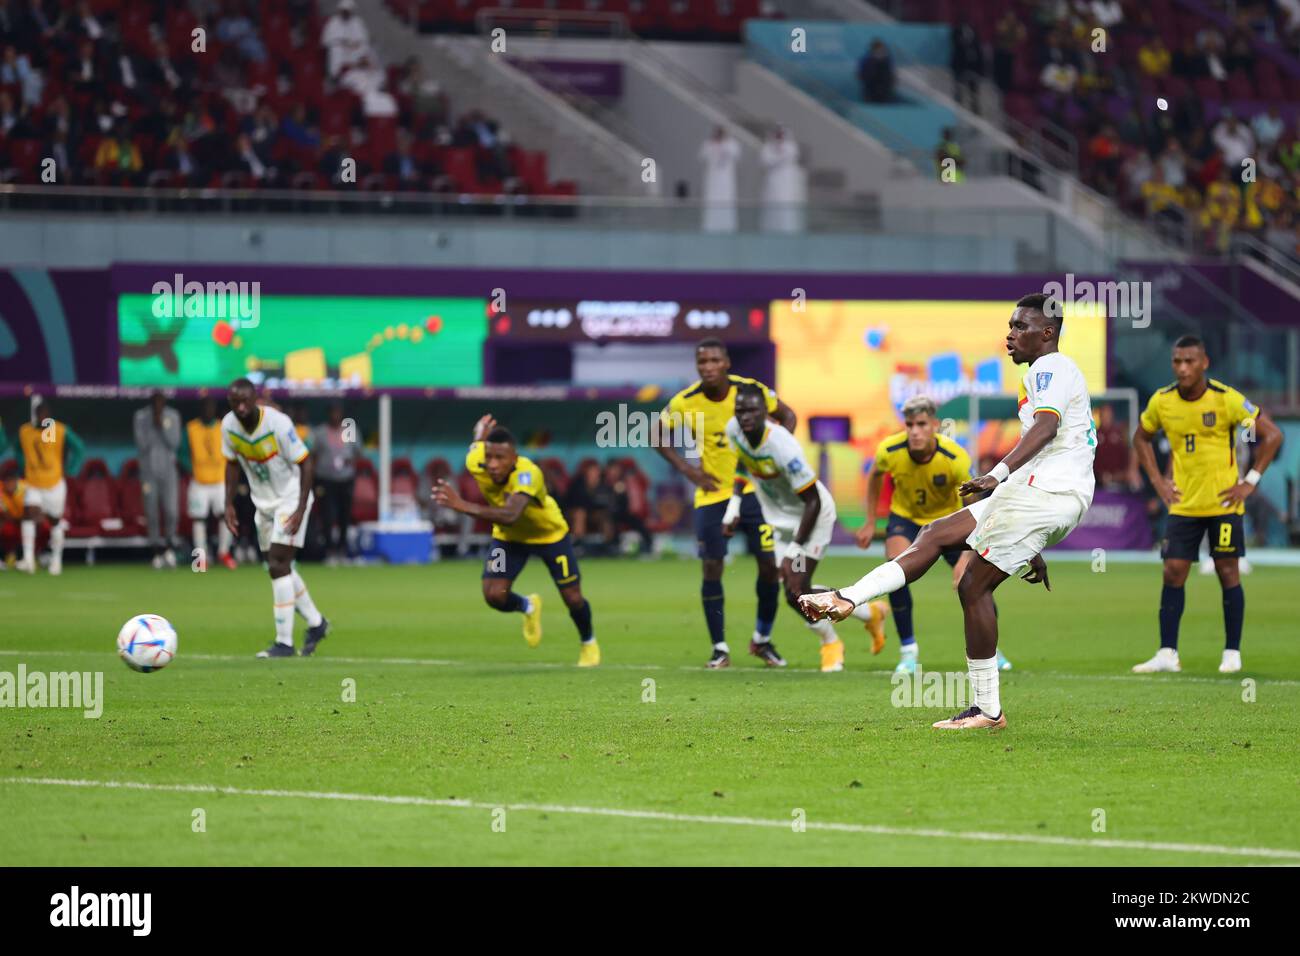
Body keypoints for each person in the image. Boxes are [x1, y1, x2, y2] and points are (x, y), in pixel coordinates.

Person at [800, 293, 1093, 731]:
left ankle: (987, 710)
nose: (1009, 335)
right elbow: (1051, 441)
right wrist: (1030, 539)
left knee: (973, 585)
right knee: (936, 534)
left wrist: (996, 474)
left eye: (1020, 327)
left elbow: (1048, 429)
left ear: (1047, 333)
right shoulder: (1046, 372)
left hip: (1049, 493)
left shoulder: (1050, 368)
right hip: (1042, 493)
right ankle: (848, 598)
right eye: (1010, 326)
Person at [1130, 336, 1282, 674]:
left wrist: (1249, 483)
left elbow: (1271, 435)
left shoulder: (1226, 399)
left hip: (1224, 504)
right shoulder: (1162, 401)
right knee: (1172, 573)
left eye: (1189, 361)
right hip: (1183, 504)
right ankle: (1167, 653)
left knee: (1227, 572)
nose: (1182, 368)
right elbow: (1140, 437)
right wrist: (1157, 482)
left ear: (1204, 363)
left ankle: (1231, 652)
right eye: (1177, 361)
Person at [656, 338, 799, 669]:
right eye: (701, 361)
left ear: (726, 363)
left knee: (769, 567)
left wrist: (775, 455)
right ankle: (719, 648)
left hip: (757, 494)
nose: (707, 367)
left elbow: (788, 415)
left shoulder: (749, 391)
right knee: (711, 567)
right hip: (713, 496)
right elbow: (656, 434)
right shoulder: (685, 401)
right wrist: (689, 471)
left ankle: (762, 640)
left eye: (713, 360)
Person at [726, 384, 885, 672]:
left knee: (796, 587)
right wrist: (734, 504)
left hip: (811, 519)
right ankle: (869, 613)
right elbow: (741, 460)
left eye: (751, 410)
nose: (744, 416)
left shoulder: (783, 447)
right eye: (740, 410)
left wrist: (795, 549)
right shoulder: (733, 430)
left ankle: (831, 643)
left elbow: (811, 501)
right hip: (779, 521)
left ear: (765, 412)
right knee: (792, 593)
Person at [858, 395, 1010, 675]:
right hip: (906, 520)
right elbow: (875, 477)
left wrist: (967, 554)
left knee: (976, 580)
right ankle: (908, 652)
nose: (915, 431)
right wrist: (869, 521)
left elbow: (975, 509)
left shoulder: (955, 458)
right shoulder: (889, 450)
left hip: (948, 524)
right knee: (895, 568)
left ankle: (993, 649)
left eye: (922, 424)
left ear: (935, 426)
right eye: (910, 424)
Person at [432, 415, 600, 667]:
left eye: (500, 458)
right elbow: (476, 445)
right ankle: (528, 606)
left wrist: (461, 505)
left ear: (514, 457)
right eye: (489, 457)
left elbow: (511, 514)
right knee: (494, 596)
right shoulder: (475, 461)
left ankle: (588, 643)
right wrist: (479, 434)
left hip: (549, 535)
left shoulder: (528, 474)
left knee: (573, 598)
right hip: (509, 538)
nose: (493, 464)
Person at [222, 378, 330, 658]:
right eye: (236, 402)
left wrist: (301, 507)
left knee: (277, 565)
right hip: (264, 504)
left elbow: (306, 463)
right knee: (279, 566)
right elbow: (232, 464)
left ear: (255, 398)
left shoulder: (279, 424)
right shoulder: (229, 427)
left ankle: (284, 643)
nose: (242, 407)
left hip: (290, 499)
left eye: (246, 401)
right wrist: (228, 503)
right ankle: (317, 623)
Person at [16, 400, 83, 575]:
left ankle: (56, 559)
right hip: (33, 483)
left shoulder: (58, 430)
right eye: (39, 414)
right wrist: (22, 464)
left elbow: (79, 447)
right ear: (35, 416)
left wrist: (71, 469)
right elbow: (17, 449)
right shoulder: (25, 431)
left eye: (45, 414)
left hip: (53, 483)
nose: (42, 417)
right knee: (29, 514)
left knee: (54, 521)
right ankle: (28, 559)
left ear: (50, 415)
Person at [183, 397, 235, 570]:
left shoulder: (223, 427)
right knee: (199, 518)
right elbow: (181, 452)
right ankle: (201, 558)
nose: (208, 410)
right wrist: (190, 467)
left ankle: (224, 552)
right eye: (205, 407)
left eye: (211, 407)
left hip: (220, 480)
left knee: (224, 516)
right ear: (201, 409)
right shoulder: (191, 428)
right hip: (199, 481)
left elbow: (233, 451)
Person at [134, 391, 182, 569]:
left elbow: (175, 443)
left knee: (171, 511)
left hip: (169, 472)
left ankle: (169, 548)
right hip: (148, 472)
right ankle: (155, 552)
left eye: (161, 402)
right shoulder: (140, 417)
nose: (158, 405)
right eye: (155, 402)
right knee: (151, 512)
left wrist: (162, 424)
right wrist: (152, 423)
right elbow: (141, 444)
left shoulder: (173, 416)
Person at [310, 403, 360, 565]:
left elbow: (358, 453)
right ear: (328, 413)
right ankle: (329, 550)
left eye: (338, 412)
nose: (335, 415)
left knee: (345, 515)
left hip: (345, 478)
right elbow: (314, 456)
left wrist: (349, 461)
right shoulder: (320, 432)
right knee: (327, 515)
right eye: (332, 412)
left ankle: (342, 549)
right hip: (325, 478)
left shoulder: (348, 428)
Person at [759, 126, 804, 234]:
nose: (779, 136)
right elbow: (766, 161)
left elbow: (788, 157)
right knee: (771, 210)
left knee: (787, 211)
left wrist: (778, 156)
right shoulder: (768, 147)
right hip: (772, 184)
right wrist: (778, 156)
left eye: (781, 134)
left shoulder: (791, 146)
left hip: (787, 186)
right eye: (777, 134)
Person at [699, 126, 740, 233]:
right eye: (718, 132)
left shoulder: (731, 144)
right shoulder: (709, 144)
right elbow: (702, 156)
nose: (719, 135)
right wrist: (715, 145)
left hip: (726, 186)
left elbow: (735, 153)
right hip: (712, 184)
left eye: (721, 133)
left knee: (727, 207)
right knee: (711, 208)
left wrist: (723, 145)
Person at [321, 0, 371, 79]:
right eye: (344, 11)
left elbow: (363, 38)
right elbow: (326, 41)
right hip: (340, 48)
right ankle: (338, 74)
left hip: (354, 48)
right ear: (340, 11)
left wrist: (356, 44)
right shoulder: (333, 22)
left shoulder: (357, 21)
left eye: (348, 12)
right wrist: (343, 43)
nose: (346, 14)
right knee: (336, 50)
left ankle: (360, 69)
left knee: (364, 47)